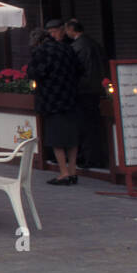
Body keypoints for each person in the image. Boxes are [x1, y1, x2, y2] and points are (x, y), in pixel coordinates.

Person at [31, 19, 84, 185]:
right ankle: (73, 171)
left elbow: (34, 73)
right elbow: (80, 70)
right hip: (71, 98)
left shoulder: (41, 51)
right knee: (72, 138)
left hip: (52, 100)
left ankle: (63, 173)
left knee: (57, 139)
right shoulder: (68, 49)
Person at [66, 19, 107, 169]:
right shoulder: (93, 43)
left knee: (85, 125)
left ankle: (89, 158)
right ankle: (96, 157)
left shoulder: (78, 46)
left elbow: (77, 69)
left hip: (84, 90)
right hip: (96, 88)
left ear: (71, 29)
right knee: (94, 124)